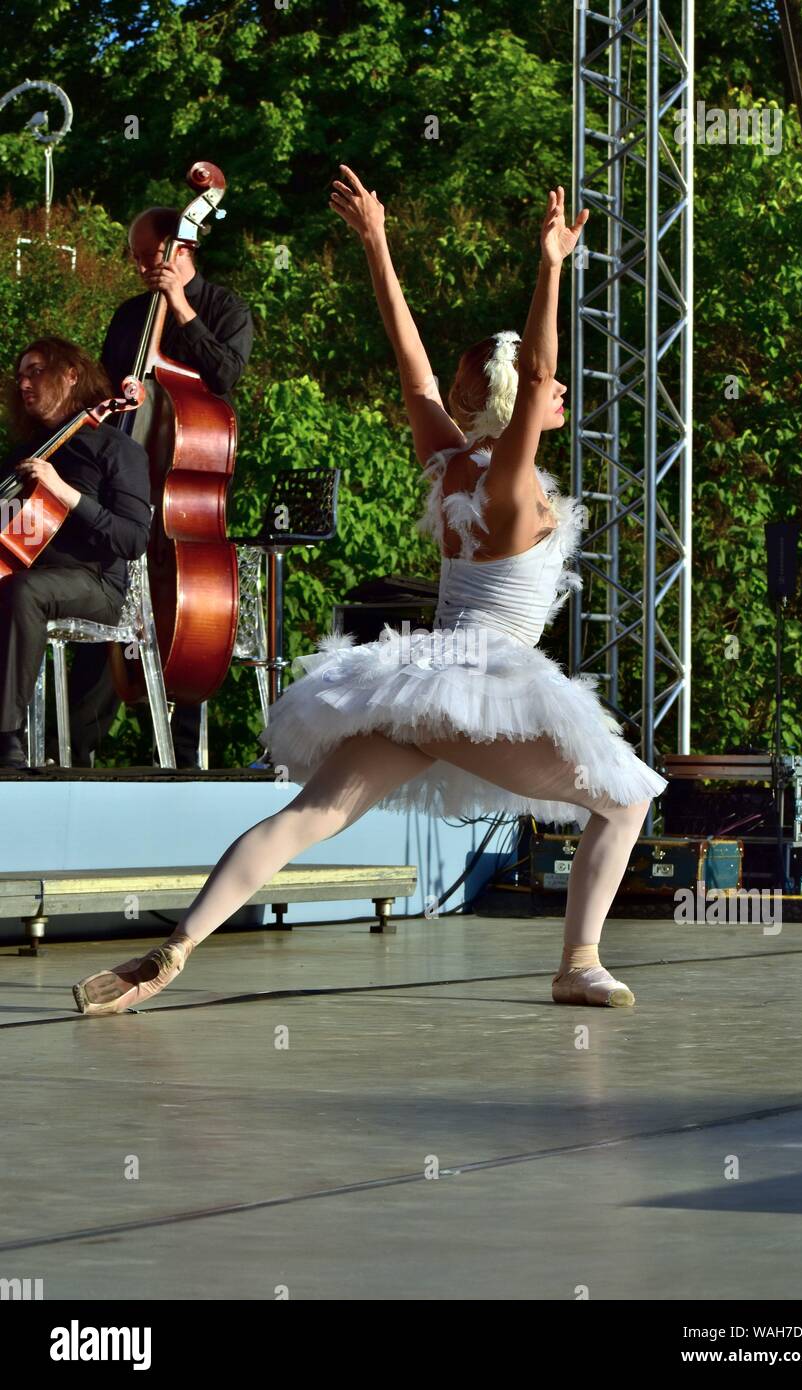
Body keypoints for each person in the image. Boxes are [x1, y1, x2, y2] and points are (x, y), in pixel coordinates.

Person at [72, 167, 667, 1016]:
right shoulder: (508, 485)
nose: (563, 394)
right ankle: (578, 961)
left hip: (416, 681)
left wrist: (377, 245)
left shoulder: (453, 459)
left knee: (311, 816)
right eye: (549, 392)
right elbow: (540, 379)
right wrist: (550, 267)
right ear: (519, 403)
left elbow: (415, 369)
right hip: (481, 680)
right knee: (628, 795)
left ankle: (179, 944)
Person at [66, 206, 254, 769]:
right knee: (103, 613)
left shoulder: (226, 308)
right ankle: (77, 754)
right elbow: (101, 396)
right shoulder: (129, 316)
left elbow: (224, 377)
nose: (142, 266)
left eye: (150, 255)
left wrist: (180, 306)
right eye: (137, 257)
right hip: (124, 486)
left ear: (181, 248)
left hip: (183, 495)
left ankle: (179, 757)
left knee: (183, 621)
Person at [0, 337, 151, 770]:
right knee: (21, 589)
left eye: (36, 371)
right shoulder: (23, 455)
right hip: (31, 576)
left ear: (71, 375)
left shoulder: (115, 450)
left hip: (97, 583)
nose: (24, 382)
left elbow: (133, 539)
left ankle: (6, 738)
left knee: (23, 590)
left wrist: (65, 494)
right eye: (21, 374)